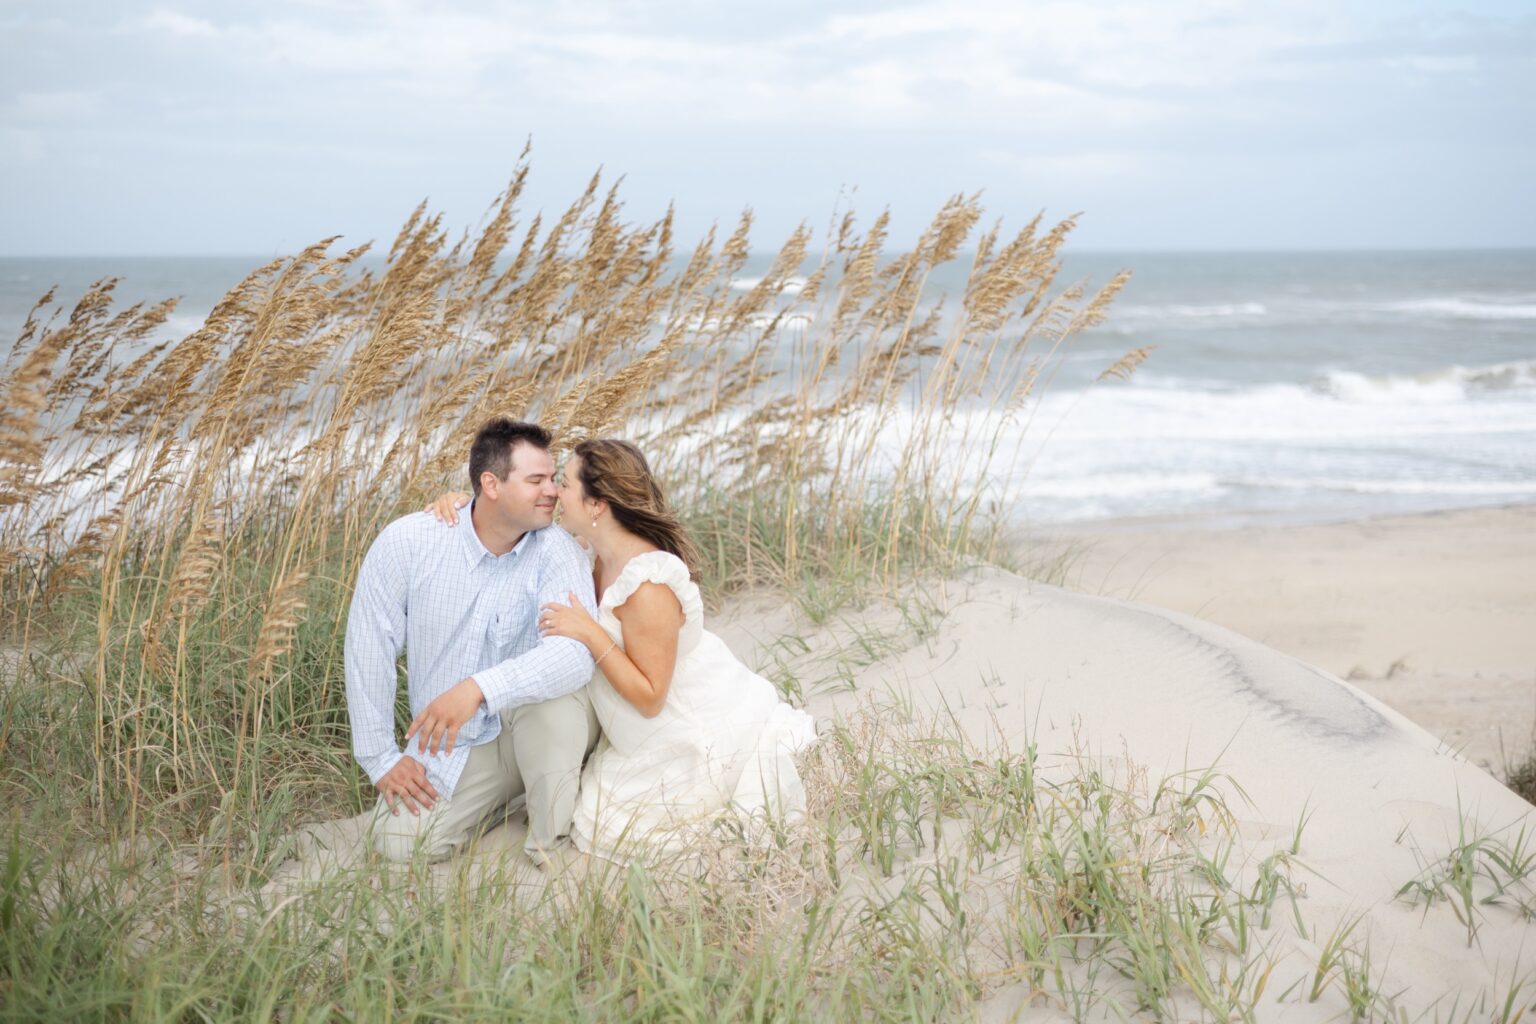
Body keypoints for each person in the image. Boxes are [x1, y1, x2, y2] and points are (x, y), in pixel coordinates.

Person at [431, 438, 816, 862]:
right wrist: (465, 505)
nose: (557, 492)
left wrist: (592, 634)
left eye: (567, 484)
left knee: (610, 820)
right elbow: (506, 523)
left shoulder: (647, 584)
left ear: (597, 505)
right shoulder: (589, 552)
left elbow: (652, 698)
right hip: (623, 713)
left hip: (680, 719)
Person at [345, 418, 600, 865]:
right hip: (457, 744)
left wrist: (478, 688)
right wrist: (380, 757)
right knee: (397, 843)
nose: (553, 491)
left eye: (552, 479)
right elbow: (369, 649)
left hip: (534, 722)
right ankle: (503, 795)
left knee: (552, 702)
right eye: (536, 480)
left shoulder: (557, 550)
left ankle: (549, 842)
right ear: (491, 484)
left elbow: (574, 656)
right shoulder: (409, 542)